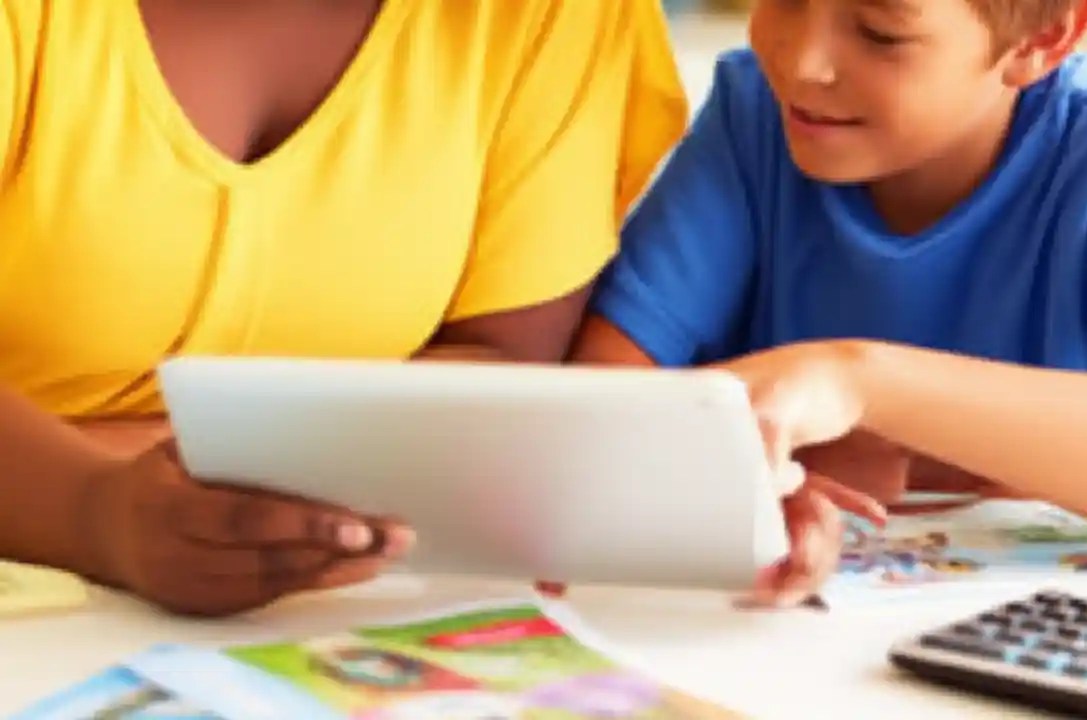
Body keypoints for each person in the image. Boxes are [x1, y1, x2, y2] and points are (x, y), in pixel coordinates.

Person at [573, 0, 1087, 608]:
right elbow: (586, 409)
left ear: (1044, 38)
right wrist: (739, 488)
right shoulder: (752, 118)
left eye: (881, 31)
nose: (803, 62)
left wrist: (858, 382)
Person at [0, 0, 687, 616]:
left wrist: (112, 468)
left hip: (325, 603)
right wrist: (94, 513)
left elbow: (499, 380)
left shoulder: (557, 15)